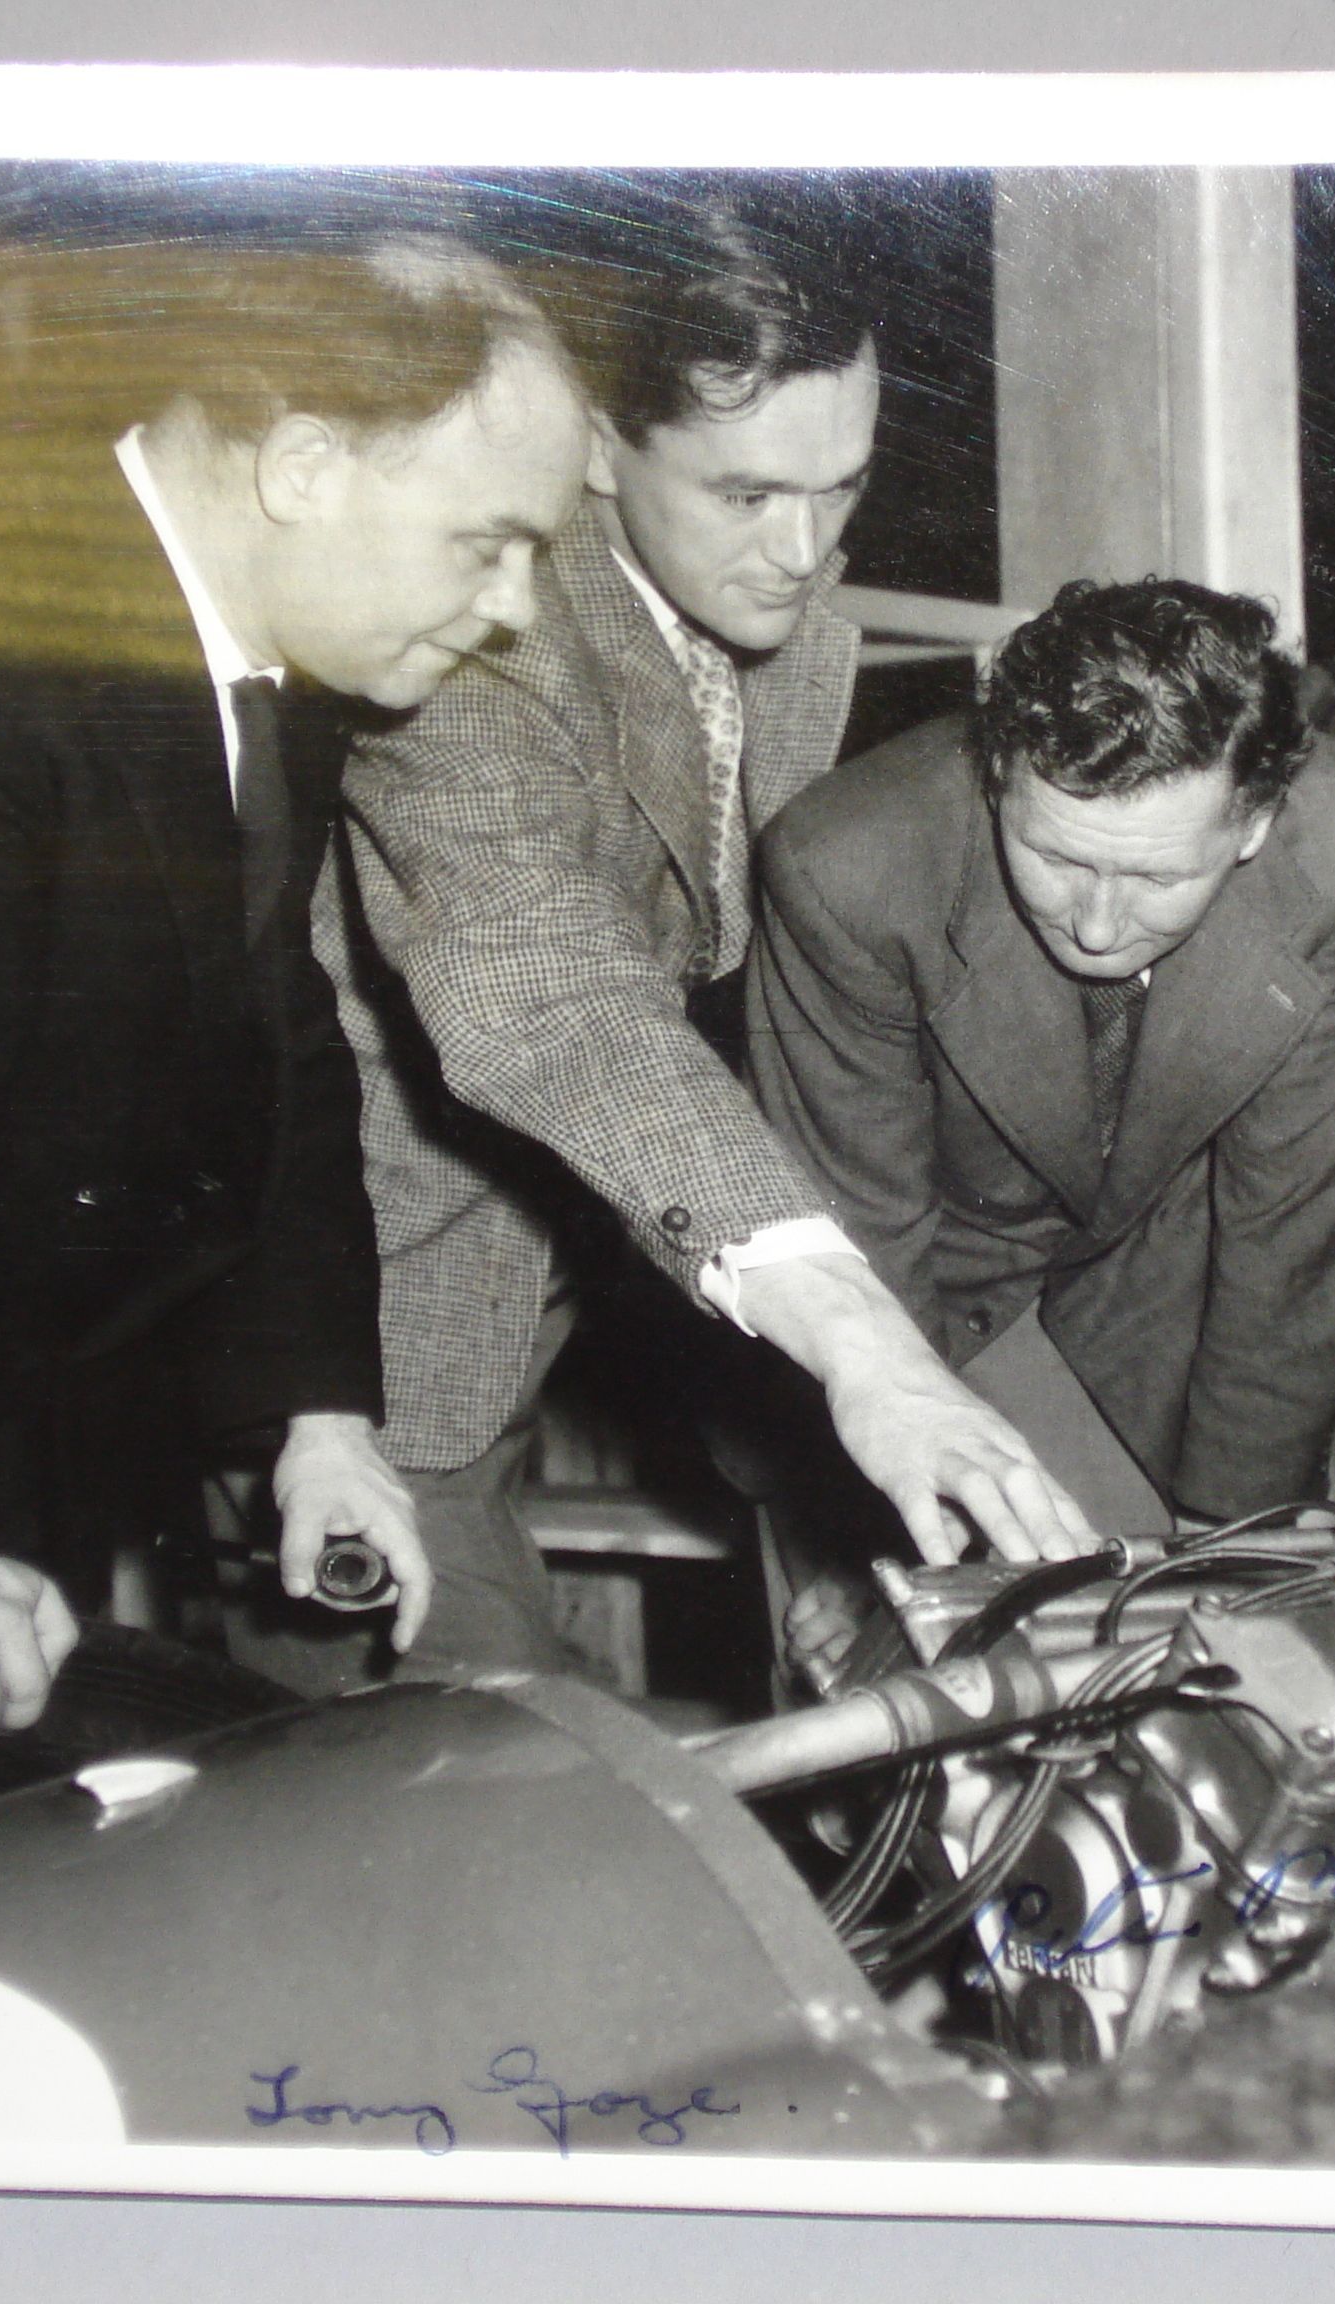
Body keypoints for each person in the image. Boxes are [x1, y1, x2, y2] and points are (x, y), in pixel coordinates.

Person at [0, 236, 594, 1744]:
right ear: (302, 466)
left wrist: (318, 1417)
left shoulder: (259, 655)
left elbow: (273, 1037)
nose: (517, 607)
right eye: (487, 543)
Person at [324, 189, 1093, 1678]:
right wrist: (864, 1351)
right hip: (395, 1308)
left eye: (842, 487)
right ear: (594, 444)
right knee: (483, 1757)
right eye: (747, 497)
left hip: (648, 1245)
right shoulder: (475, 638)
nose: (806, 552)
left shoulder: (765, 602)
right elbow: (562, 1003)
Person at [748, 578, 1335, 1535]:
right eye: (1058, 859)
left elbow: (1294, 1228)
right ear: (998, 776)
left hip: (1179, 1273)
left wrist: (1241, 1527)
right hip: (935, 1283)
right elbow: (865, 1238)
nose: (1098, 927)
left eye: (1157, 876)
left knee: (1260, 1585)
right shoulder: (844, 865)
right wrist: (873, 1536)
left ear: (1257, 823)